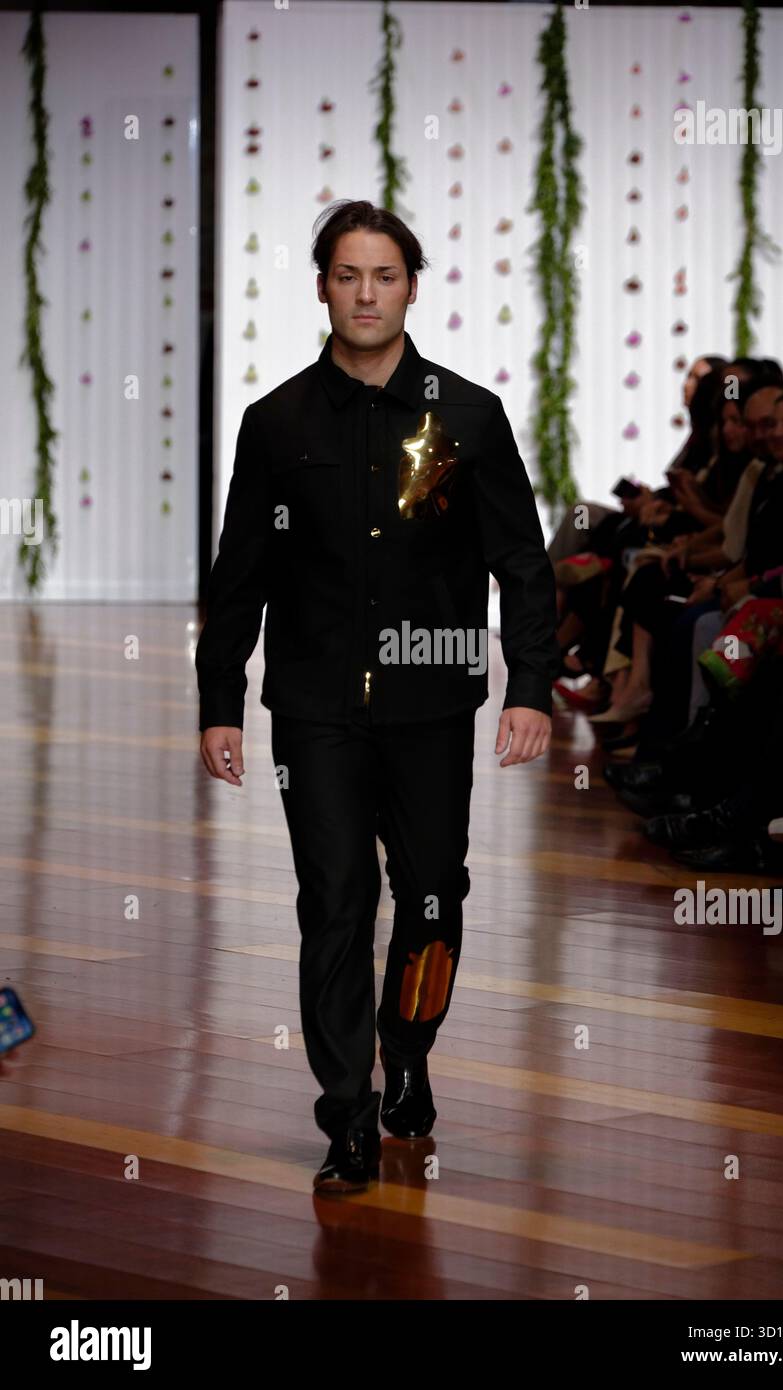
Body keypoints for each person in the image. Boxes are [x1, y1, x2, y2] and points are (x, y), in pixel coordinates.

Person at [195, 200, 560, 1193]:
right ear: (321, 284)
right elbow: (239, 574)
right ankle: (347, 1114)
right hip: (312, 707)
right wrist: (219, 700)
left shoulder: (465, 416)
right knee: (333, 903)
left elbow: (521, 565)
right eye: (347, 274)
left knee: (434, 897)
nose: (364, 292)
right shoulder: (274, 423)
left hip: (433, 703)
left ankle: (408, 1049)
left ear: (411, 285)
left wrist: (528, 686)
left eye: (383, 275)